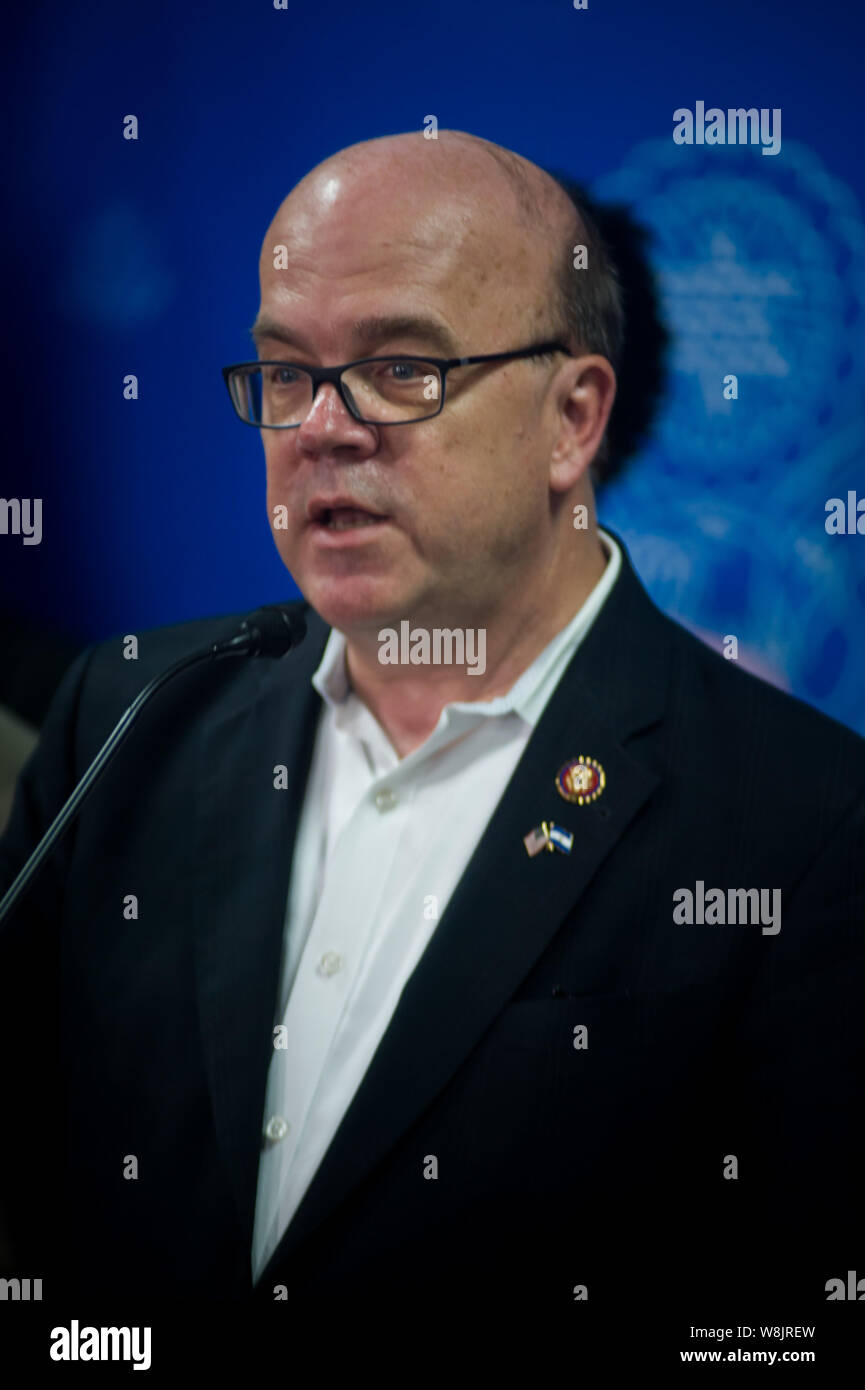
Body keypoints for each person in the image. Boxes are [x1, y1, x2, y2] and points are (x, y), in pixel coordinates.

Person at [0, 130, 862, 1339]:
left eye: (402, 369)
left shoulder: (807, 825)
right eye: (285, 373)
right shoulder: (131, 715)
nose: (322, 429)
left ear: (573, 419)